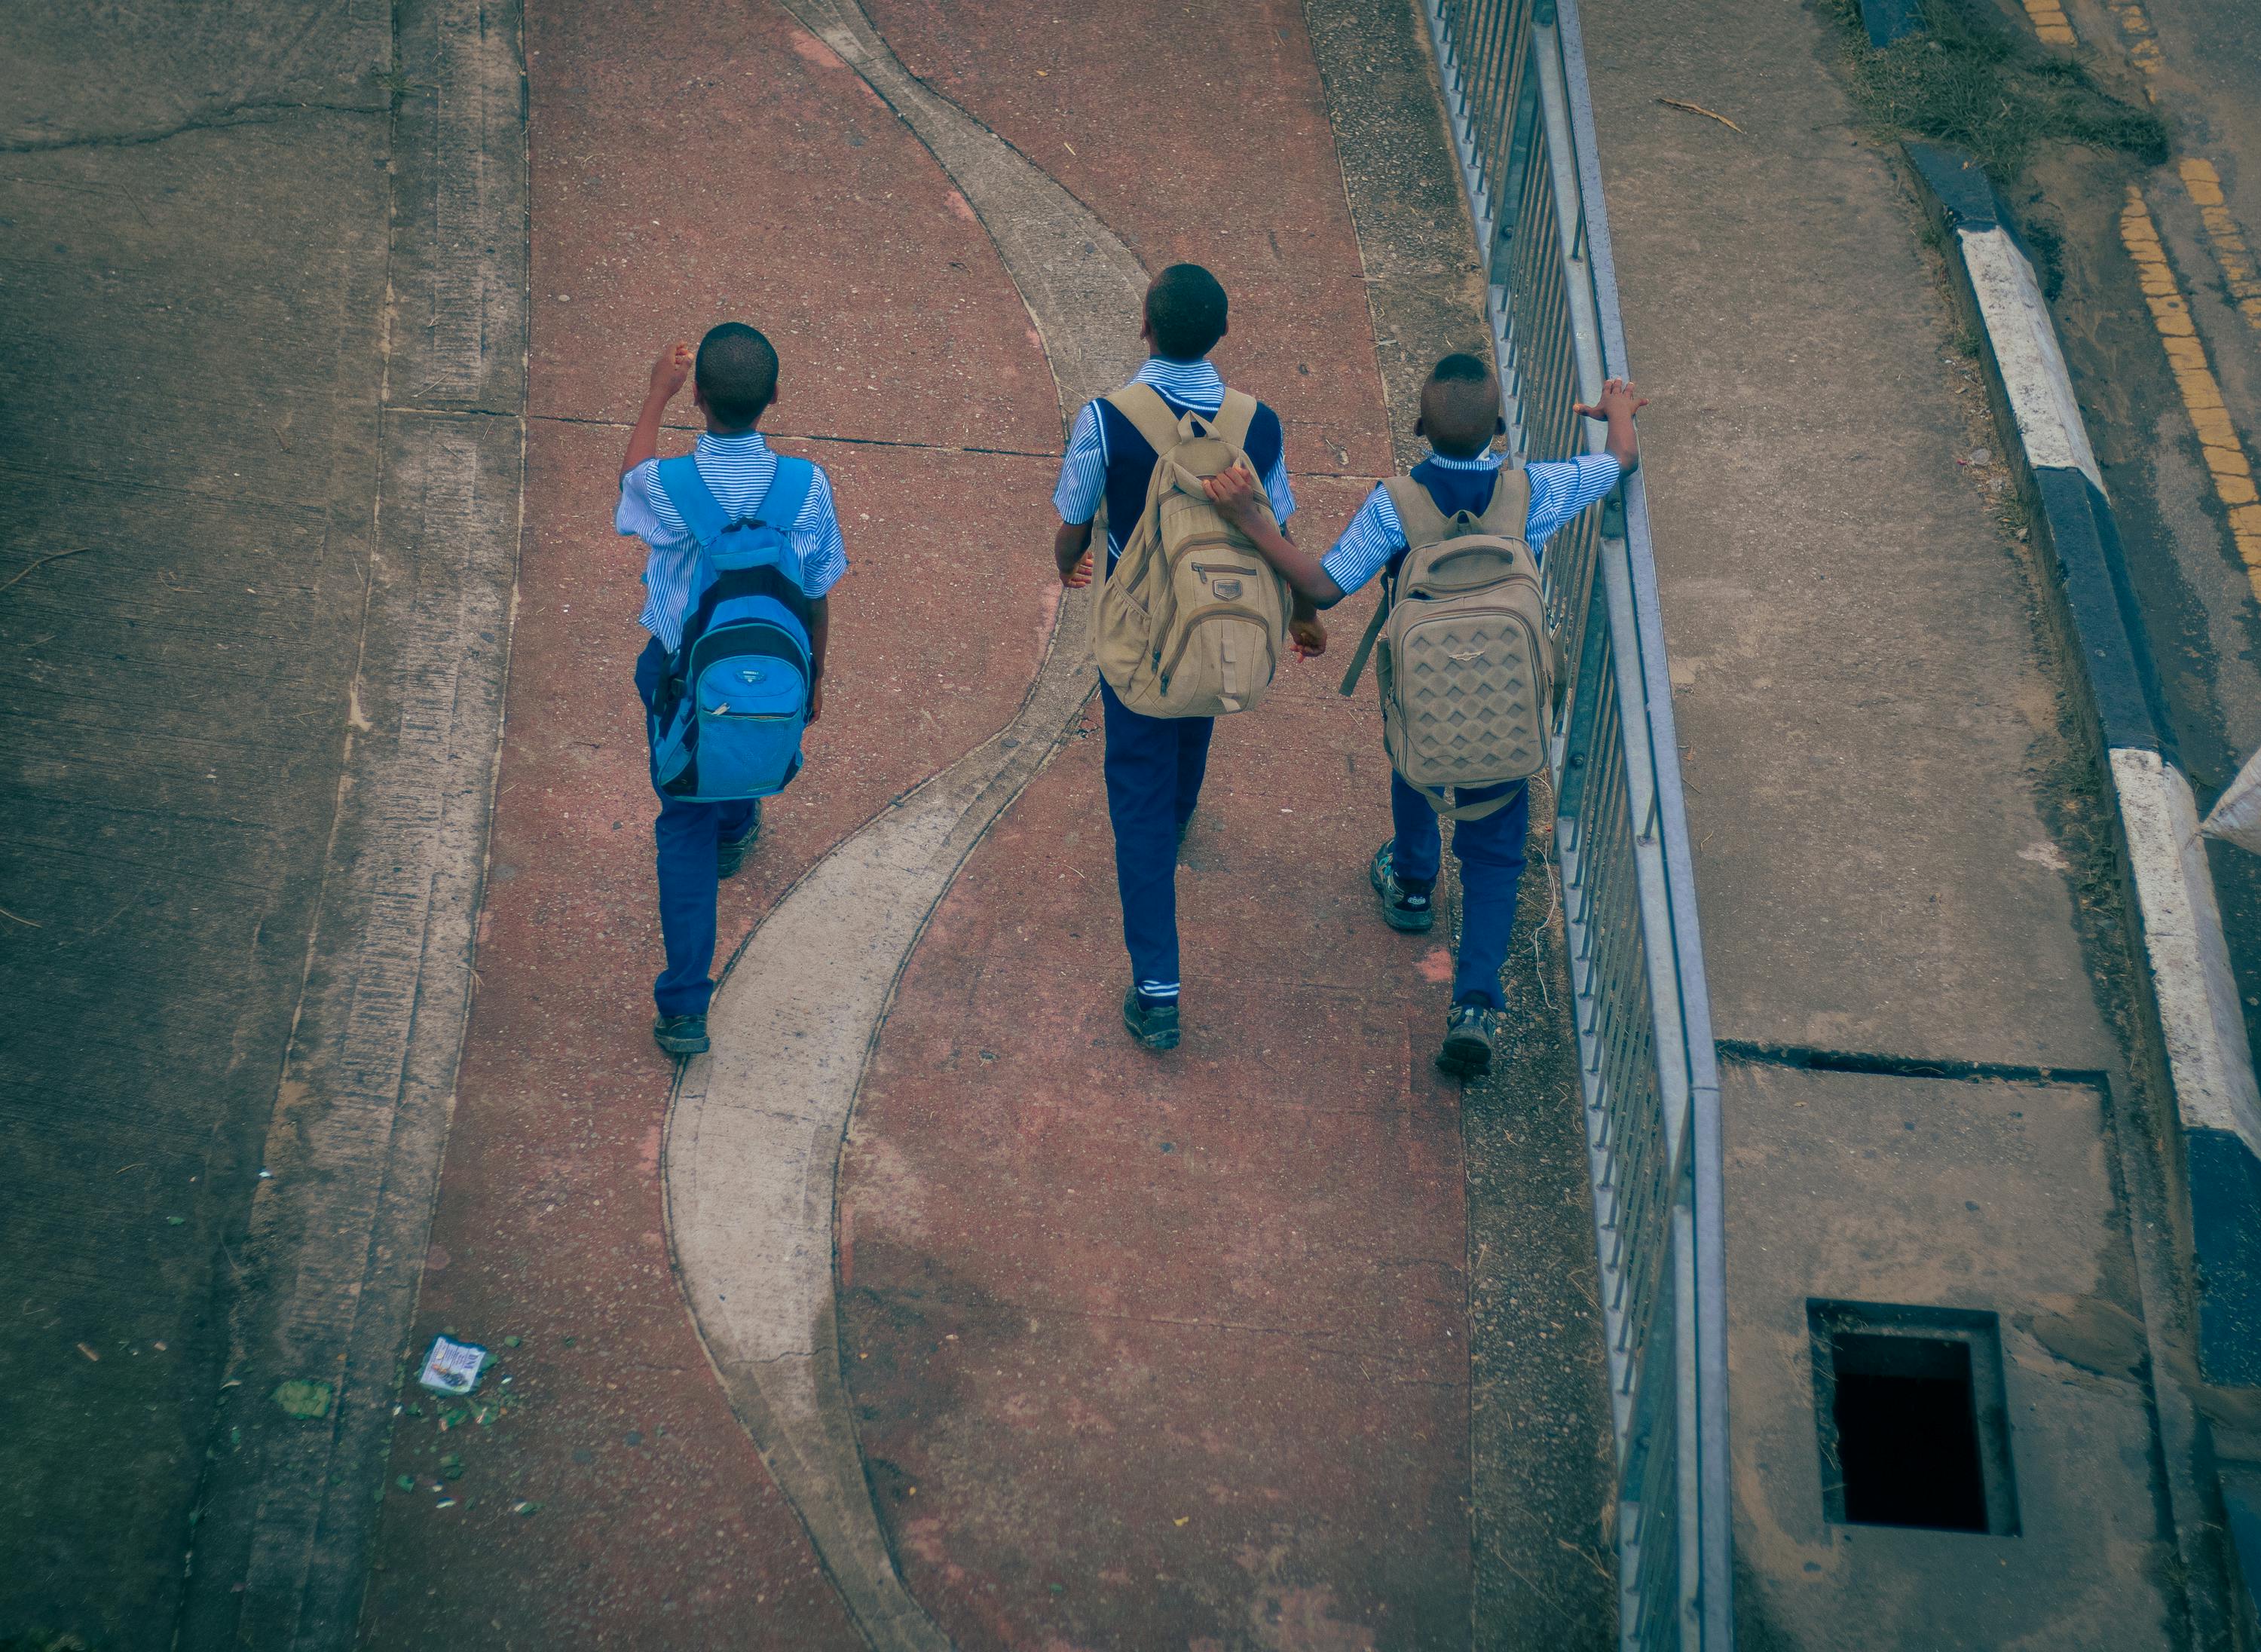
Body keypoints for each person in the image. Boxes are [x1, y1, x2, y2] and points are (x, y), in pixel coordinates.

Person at [1204, 353, 1645, 1075]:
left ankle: (1411, 881)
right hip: (1506, 702)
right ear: (1501, 426)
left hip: (1427, 683)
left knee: (1414, 753)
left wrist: (1253, 520)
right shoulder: (1533, 487)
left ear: (1418, 428)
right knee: (1496, 850)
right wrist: (1618, 409)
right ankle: (1475, 1001)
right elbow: (1620, 462)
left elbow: (1322, 581)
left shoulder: (1395, 504)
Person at [1051, 264, 1325, 1051]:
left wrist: (1062, 557)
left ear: (1144, 323)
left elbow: (1076, 515)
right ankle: (1180, 814)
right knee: (1201, 698)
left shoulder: (1107, 418)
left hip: (1139, 630)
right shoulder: (1259, 423)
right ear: (1222, 335)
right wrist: (1304, 614)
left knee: (1132, 790)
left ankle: (1158, 988)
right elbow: (1279, 522)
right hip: (1224, 620)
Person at [616, 324, 846, 1057]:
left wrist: (656, 392)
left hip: (682, 674)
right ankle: (738, 824)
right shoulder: (807, 487)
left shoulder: (668, 485)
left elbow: (630, 480)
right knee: (748, 704)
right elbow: (815, 590)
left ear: (701, 400)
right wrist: (815, 671)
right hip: (776, 665)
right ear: (775, 396)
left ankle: (685, 1007)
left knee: (681, 817)